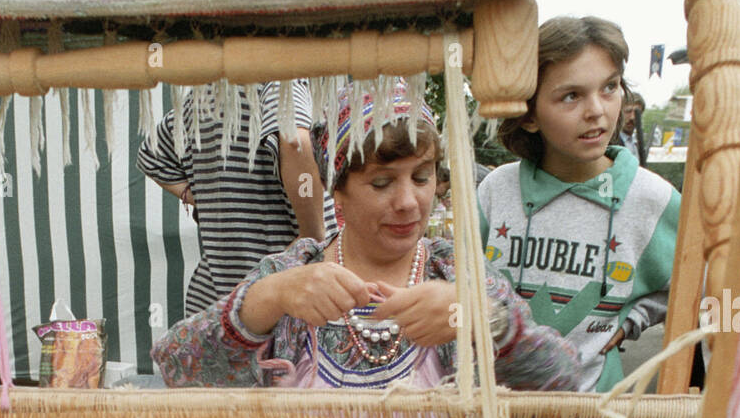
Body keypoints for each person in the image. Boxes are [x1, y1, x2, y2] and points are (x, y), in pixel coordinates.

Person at [151, 82, 582, 393]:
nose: (409, 202)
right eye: (381, 183)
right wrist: (268, 298)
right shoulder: (294, 275)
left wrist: (483, 320)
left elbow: (563, 378)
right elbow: (177, 369)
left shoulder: (457, 276)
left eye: (422, 177)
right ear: (337, 188)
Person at [477, 17, 680, 393]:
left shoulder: (653, 198)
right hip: (497, 417)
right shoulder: (495, 191)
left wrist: (634, 318)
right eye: (571, 96)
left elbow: (697, 283)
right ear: (530, 115)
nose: (597, 111)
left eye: (610, 87)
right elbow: (460, 283)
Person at [137, 80, 335, 318]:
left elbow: (152, 156)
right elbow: (295, 140)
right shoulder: (281, 76)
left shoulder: (202, 95)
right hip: (279, 297)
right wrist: (312, 233)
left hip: (215, 301)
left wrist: (206, 199)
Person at [618, 91, 647, 165]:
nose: (632, 117)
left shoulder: (637, 144)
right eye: (628, 111)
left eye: (637, 113)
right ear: (619, 113)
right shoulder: (610, 142)